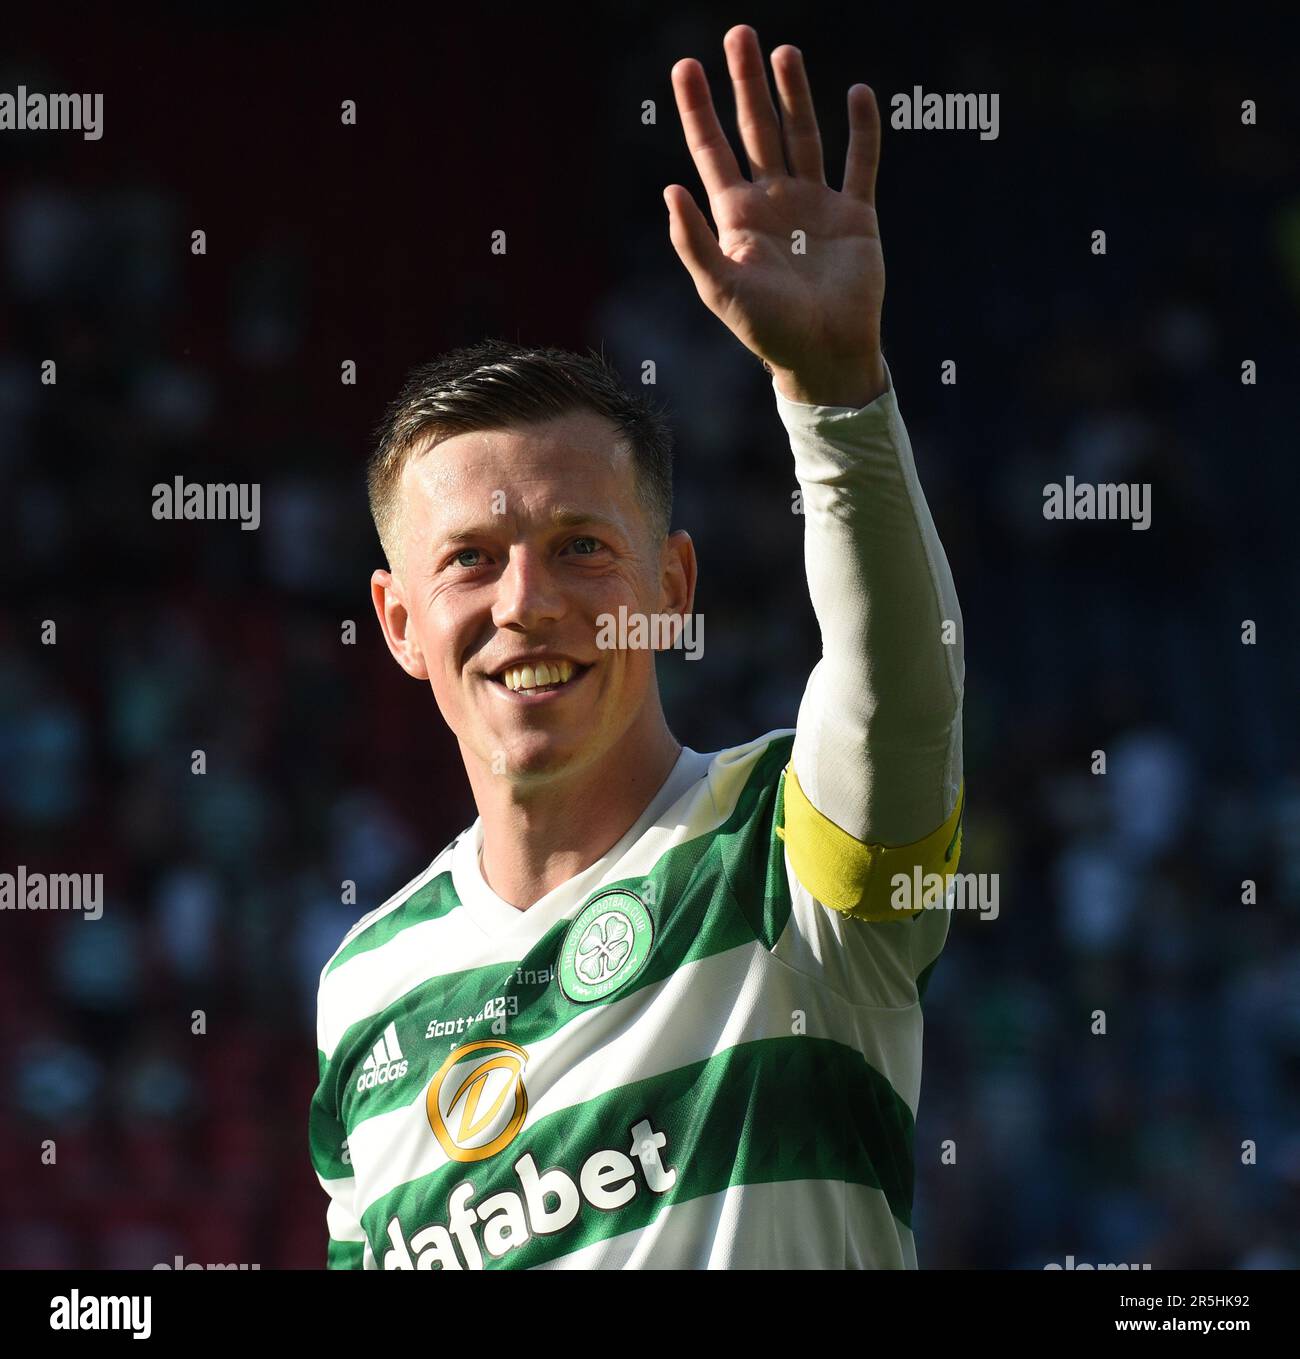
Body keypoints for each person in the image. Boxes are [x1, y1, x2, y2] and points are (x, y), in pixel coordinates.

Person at [310, 23, 964, 1270]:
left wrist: (836, 400)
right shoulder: (364, 994)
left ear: (671, 586)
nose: (527, 603)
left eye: (580, 548)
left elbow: (900, 693)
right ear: (399, 624)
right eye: (469, 561)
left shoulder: (784, 846)